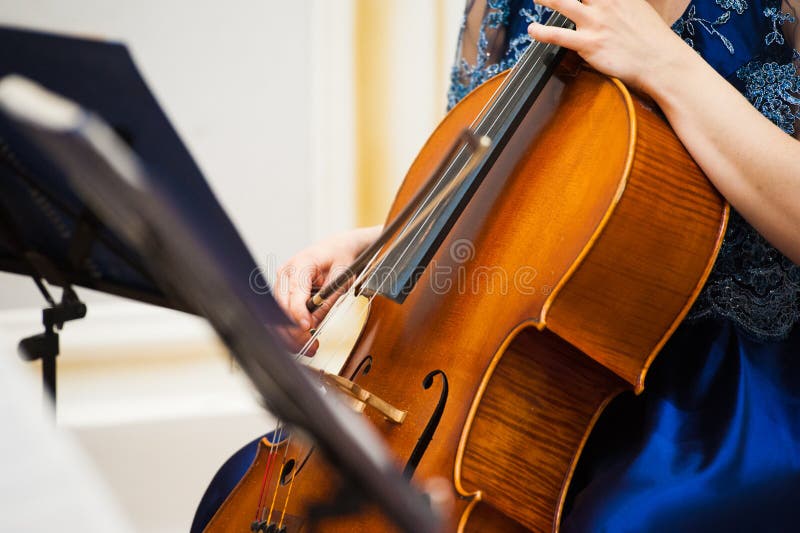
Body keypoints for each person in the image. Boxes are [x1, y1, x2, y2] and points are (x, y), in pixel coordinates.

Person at [194, 1, 800, 531]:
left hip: (737, 389)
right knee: (239, 484)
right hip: (532, 360)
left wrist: (667, 65)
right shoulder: (502, 6)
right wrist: (376, 245)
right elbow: (503, 192)